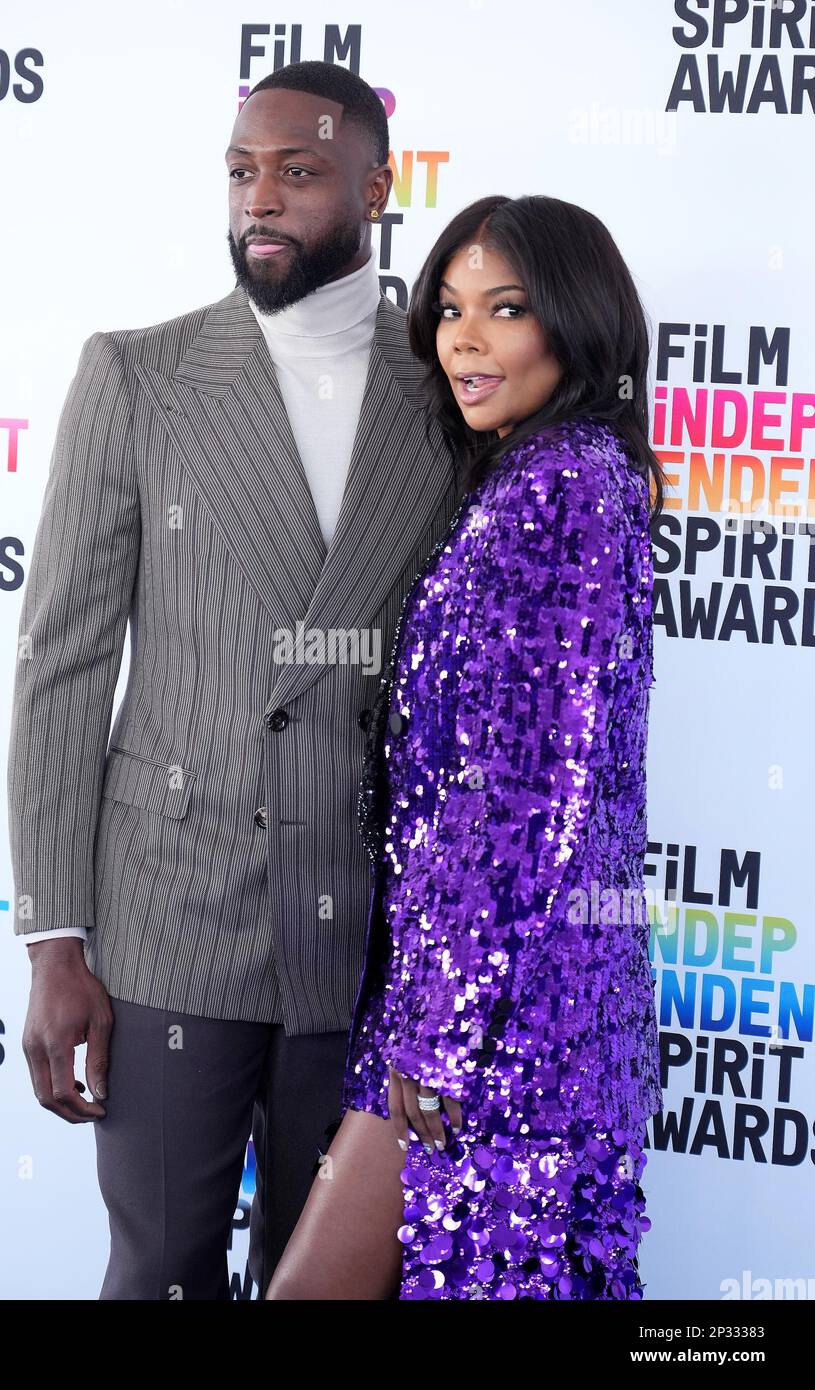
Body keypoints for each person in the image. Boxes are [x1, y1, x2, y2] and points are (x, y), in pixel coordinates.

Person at [5, 60, 463, 1300]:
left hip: (362, 931)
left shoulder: (448, 388)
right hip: (169, 918)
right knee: (160, 1269)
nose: (260, 198)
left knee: (329, 1281)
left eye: (299, 172)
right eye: (242, 171)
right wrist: (54, 938)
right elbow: (61, 664)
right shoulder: (138, 376)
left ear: (376, 188)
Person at [267, 194, 668, 1301]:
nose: (464, 341)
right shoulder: (546, 475)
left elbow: (525, 791)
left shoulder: (562, 487)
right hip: (490, 993)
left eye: (505, 309)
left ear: (577, 321)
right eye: (449, 309)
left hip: (503, 1017)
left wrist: (440, 1027)